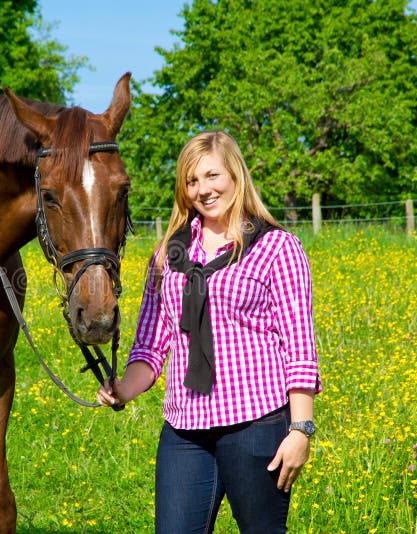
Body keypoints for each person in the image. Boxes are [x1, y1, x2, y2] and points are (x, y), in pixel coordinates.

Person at [97, 130, 321, 533]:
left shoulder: (276, 248)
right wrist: (122, 389)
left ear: (235, 175)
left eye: (212, 176)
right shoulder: (167, 255)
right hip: (185, 430)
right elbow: (151, 344)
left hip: (256, 424)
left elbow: (299, 346)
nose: (203, 190)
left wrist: (300, 430)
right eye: (192, 180)